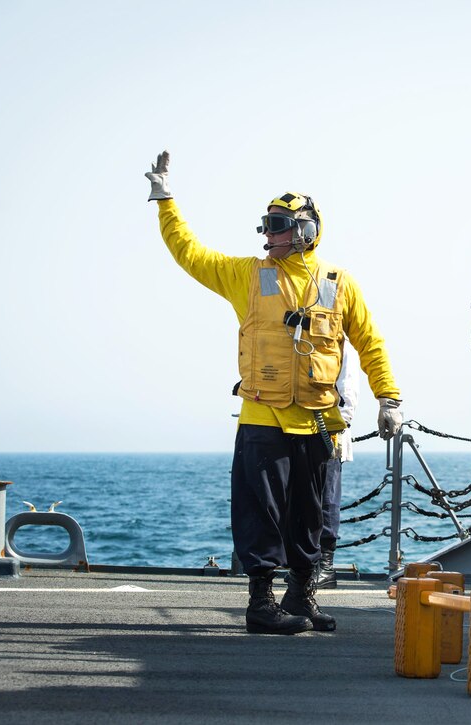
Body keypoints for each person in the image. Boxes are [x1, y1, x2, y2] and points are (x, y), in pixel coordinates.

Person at [144, 151, 403, 635]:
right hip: (263, 416)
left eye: (278, 224)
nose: (268, 234)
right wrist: (165, 201)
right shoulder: (248, 275)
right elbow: (190, 252)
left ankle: (301, 598)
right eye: (265, 225)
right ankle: (261, 604)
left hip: (321, 418)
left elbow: (370, 342)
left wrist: (389, 398)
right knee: (259, 511)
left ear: (306, 229)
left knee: (310, 515)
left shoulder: (339, 284)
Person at [315, 344, 360, 589]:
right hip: (305, 430)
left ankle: (325, 566)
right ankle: (310, 564)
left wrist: (339, 425)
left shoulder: (340, 343)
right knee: (308, 501)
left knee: (327, 500)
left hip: (329, 433)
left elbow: (348, 387)